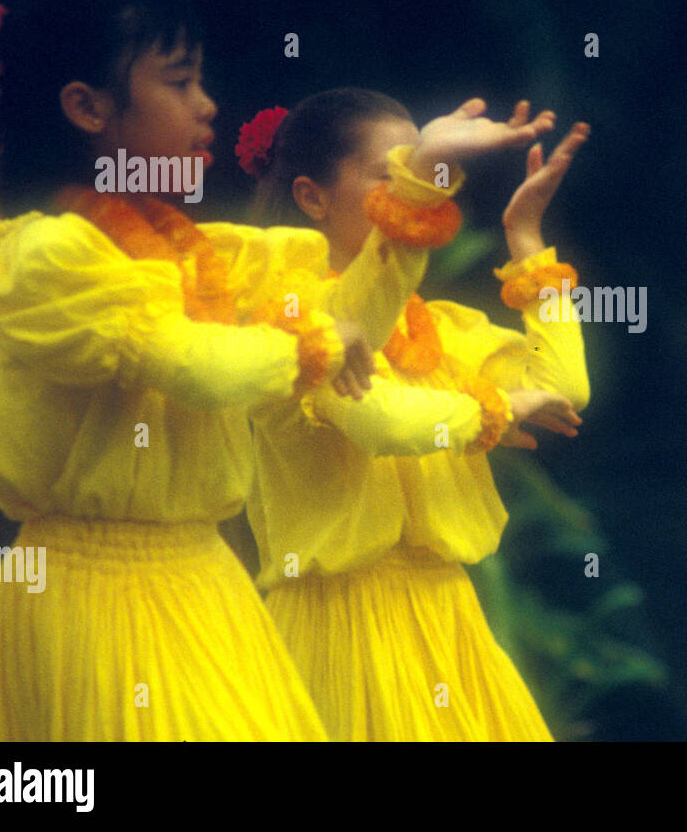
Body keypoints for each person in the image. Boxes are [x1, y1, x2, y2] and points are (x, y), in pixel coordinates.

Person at [0, 0, 554, 739]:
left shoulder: (207, 254)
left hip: (207, 578)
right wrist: (310, 342)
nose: (207, 104)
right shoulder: (49, 255)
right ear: (86, 106)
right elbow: (198, 363)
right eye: (180, 81)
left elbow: (347, 325)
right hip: (95, 587)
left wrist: (426, 179)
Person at [242, 89, 590, 739]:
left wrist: (527, 239)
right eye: (391, 175)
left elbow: (563, 385)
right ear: (313, 197)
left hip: (450, 616)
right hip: (344, 627)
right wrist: (490, 408)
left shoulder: (437, 329)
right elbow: (380, 420)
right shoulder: (292, 322)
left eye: (422, 170)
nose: (414, 189)